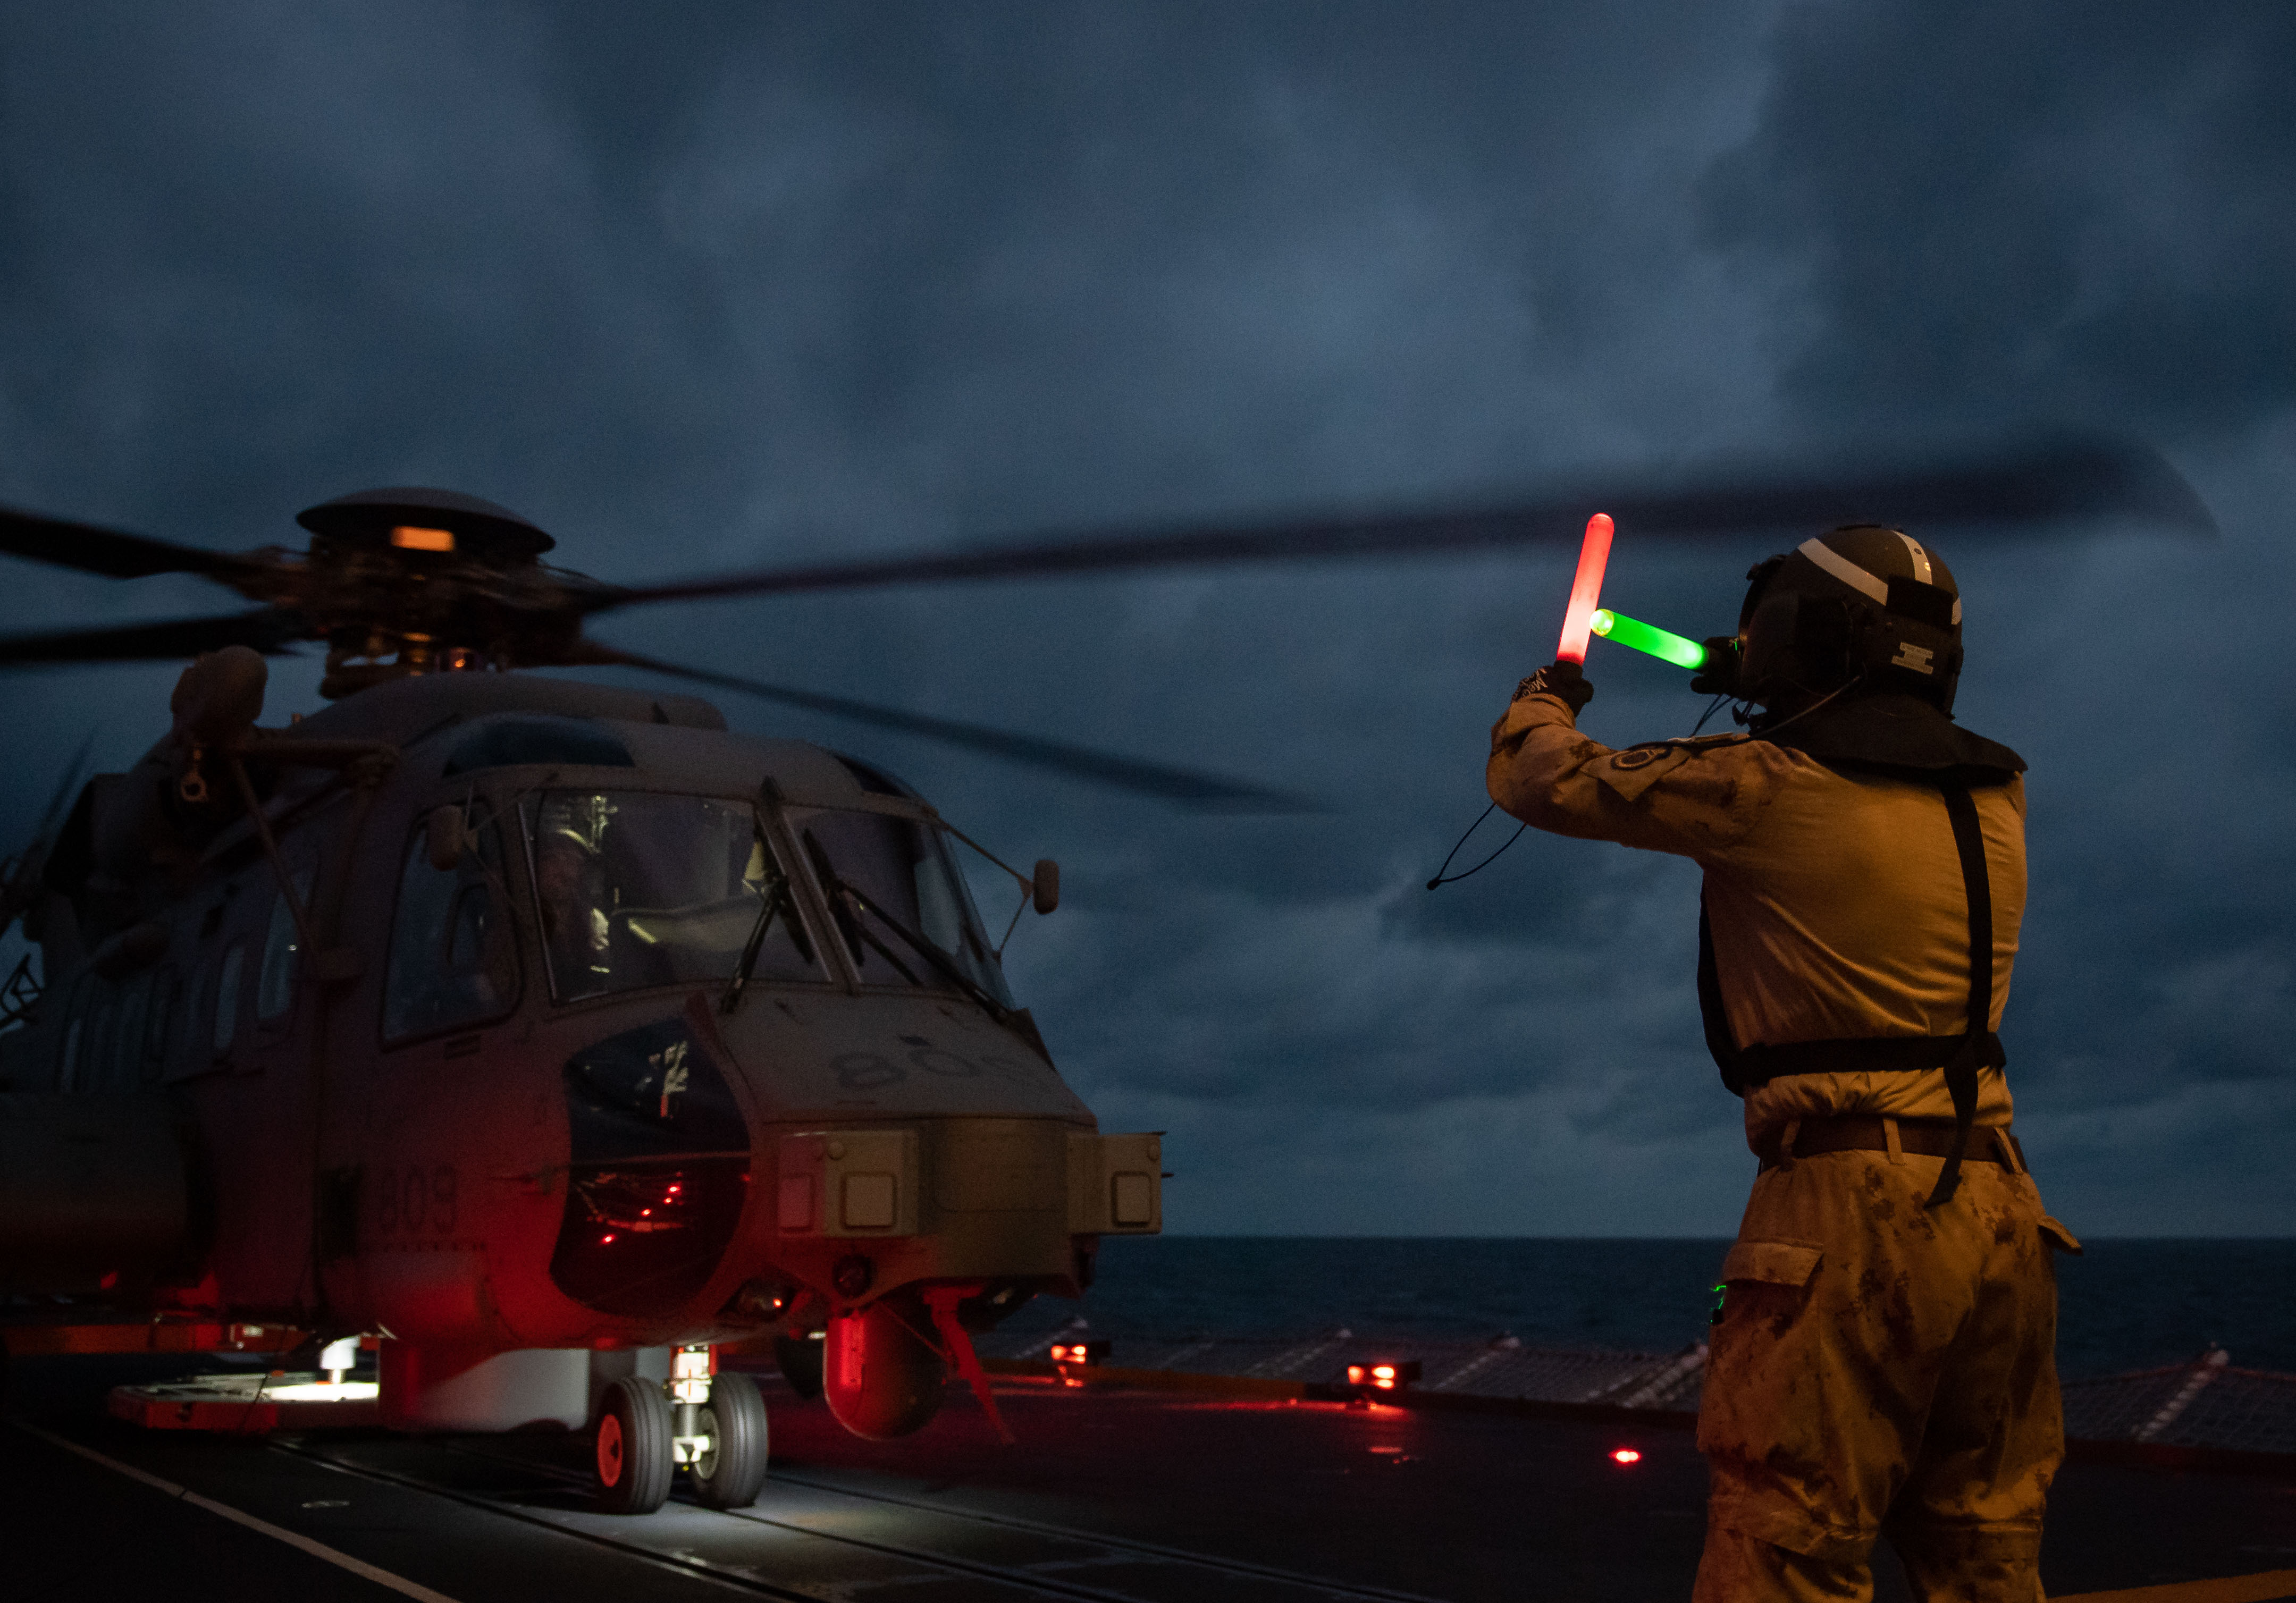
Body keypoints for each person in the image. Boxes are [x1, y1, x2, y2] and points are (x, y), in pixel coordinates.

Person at [1486, 526, 2080, 1602]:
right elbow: (1851, 716)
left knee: (1787, 1539)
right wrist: (1729, 660)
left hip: (1847, 1205)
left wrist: (1552, 687)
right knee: (1986, 1543)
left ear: (1808, 640)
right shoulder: (2000, 794)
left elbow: (1541, 780)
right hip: (2000, 1202)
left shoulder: (1761, 787)